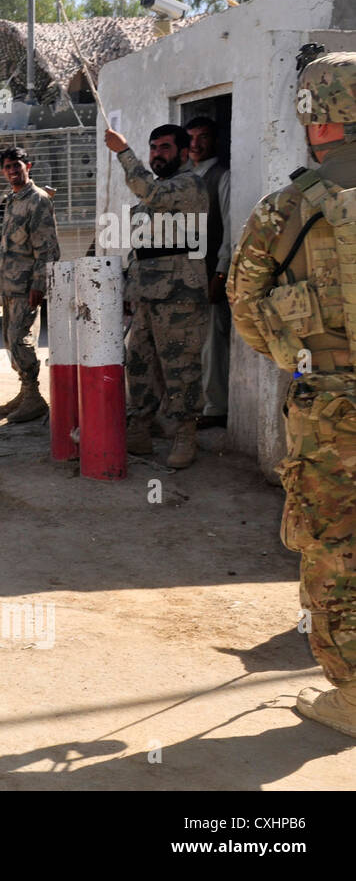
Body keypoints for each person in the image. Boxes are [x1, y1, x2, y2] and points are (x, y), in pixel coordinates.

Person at [228, 49, 356, 738]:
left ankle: (352, 694)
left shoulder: (287, 208)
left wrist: (298, 355)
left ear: (316, 116)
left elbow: (245, 306)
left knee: (334, 547)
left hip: (333, 413)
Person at [105, 123, 210, 468]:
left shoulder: (188, 185)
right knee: (140, 365)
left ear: (183, 152)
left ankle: (185, 432)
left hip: (179, 296)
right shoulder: (157, 190)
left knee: (180, 368)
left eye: (164, 148)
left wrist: (123, 152)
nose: (156, 154)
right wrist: (128, 287)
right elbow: (143, 248)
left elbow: (150, 194)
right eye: (152, 148)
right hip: (148, 297)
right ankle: (141, 427)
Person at [0, 147, 59, 423]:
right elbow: (8, 244)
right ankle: (25, 390)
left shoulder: (38, 200)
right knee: (10, 340)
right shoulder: (12, 199)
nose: (12, 170)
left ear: (28, 165)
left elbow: (48, 249)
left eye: (17, 165)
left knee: (21, 340)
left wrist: (39, 284)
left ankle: (34, 398)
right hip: (10, 283)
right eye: (7, 166)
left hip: (27, 285)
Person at [185, 116, 233, 429]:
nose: (197, 144)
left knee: (213, 342)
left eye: (203, 137)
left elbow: (229, 229)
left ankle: (215, 408)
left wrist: (220, 273)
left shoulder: (222, 177)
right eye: (191, 138)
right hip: (183, 275)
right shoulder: (183, 178)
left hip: (210, 272)